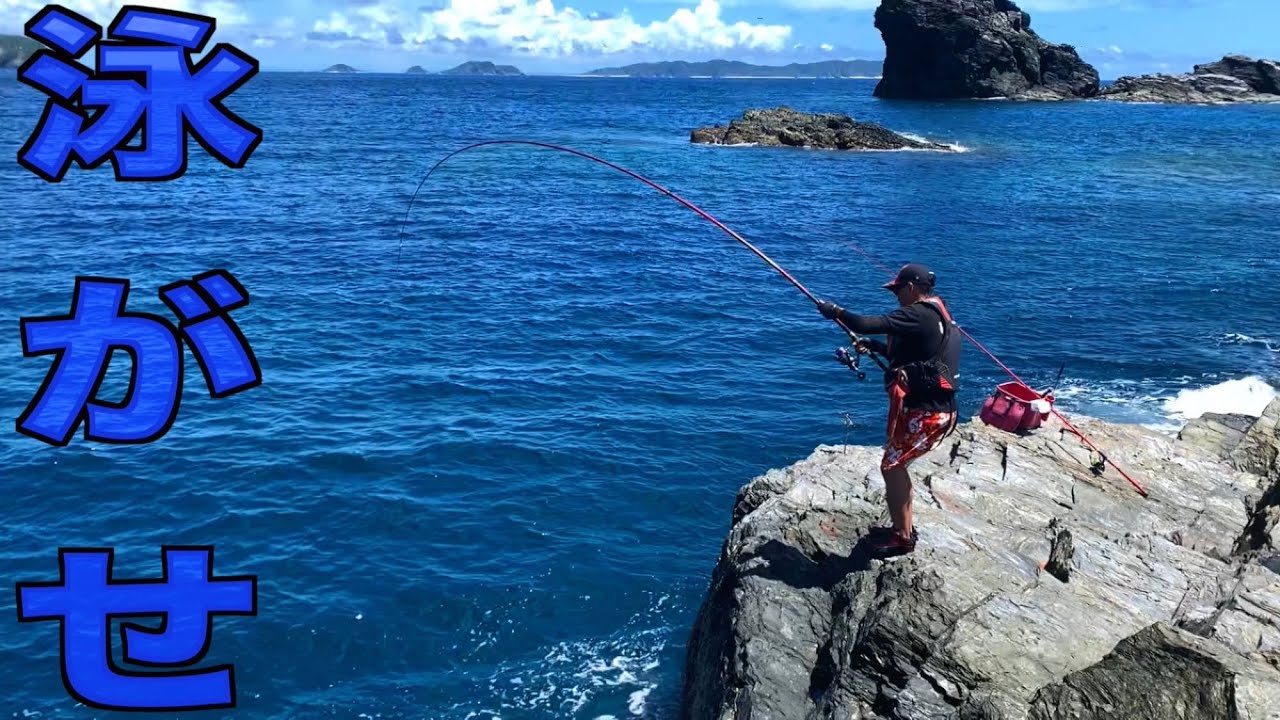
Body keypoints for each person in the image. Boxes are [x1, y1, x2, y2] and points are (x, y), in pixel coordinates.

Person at [816, 263, 961, 557]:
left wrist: (836, 312)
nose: (895, 295)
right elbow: (923, 354)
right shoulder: (937, 315)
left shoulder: (916, 313)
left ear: (911, 288)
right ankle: (903, 528)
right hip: (939, 409)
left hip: (927, 413)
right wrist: (875, 347)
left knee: (892, 466)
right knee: (896, 464)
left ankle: (903, 537)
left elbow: (866, 323)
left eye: (897, 289)